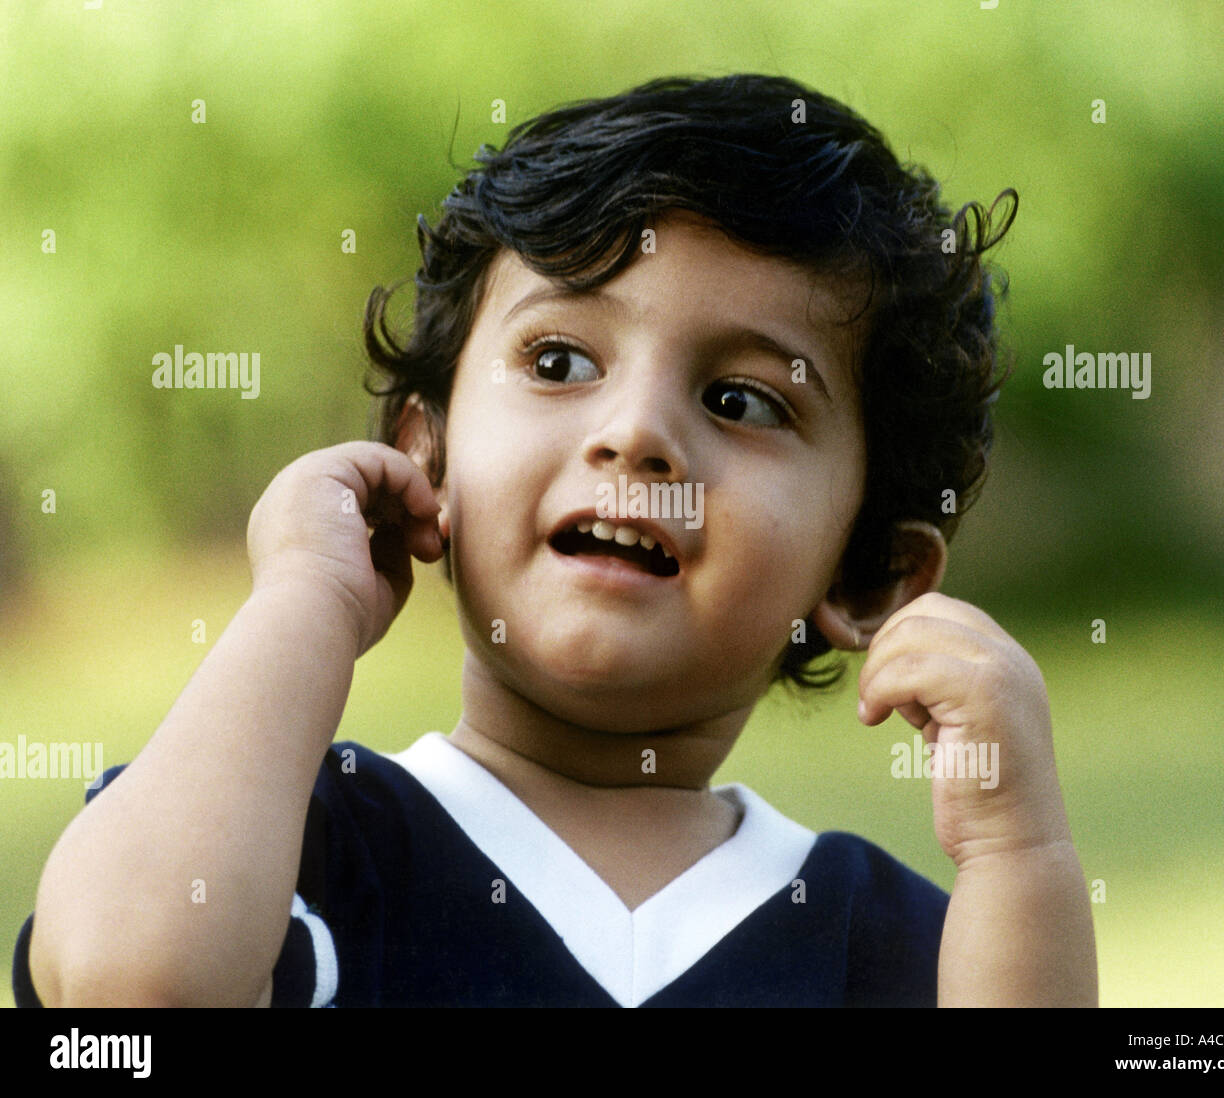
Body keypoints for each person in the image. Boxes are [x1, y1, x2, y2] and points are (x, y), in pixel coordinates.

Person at [14, 73, 1096, 1007]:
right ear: (426, 466)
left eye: (740, 399)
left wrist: (1018, 856)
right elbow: (126, 988)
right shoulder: (293, 848)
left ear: (869, 576)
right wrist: (305, 596)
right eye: (559, 363)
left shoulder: (895, 944)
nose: (634, 435)